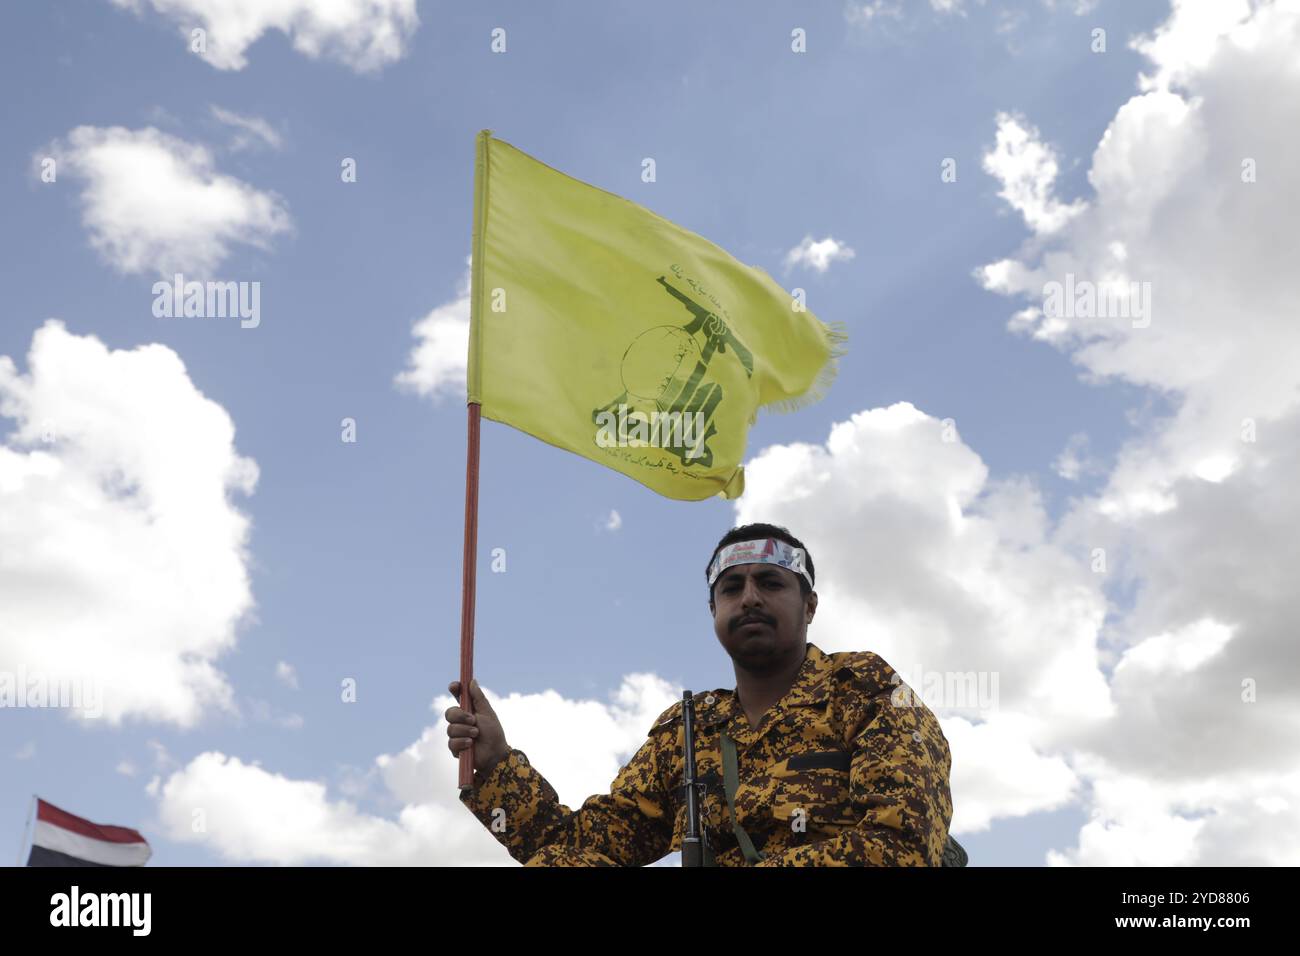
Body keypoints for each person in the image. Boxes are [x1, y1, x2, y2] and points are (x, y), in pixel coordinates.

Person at [447, 522, 955, 866]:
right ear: (714, 611)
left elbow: (902, 844)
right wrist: (495, 766)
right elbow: (578, 847)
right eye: (731, 588)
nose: (750, 597)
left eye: (770, 583)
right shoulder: (688, 730)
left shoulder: (865, 690)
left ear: (810, 606)